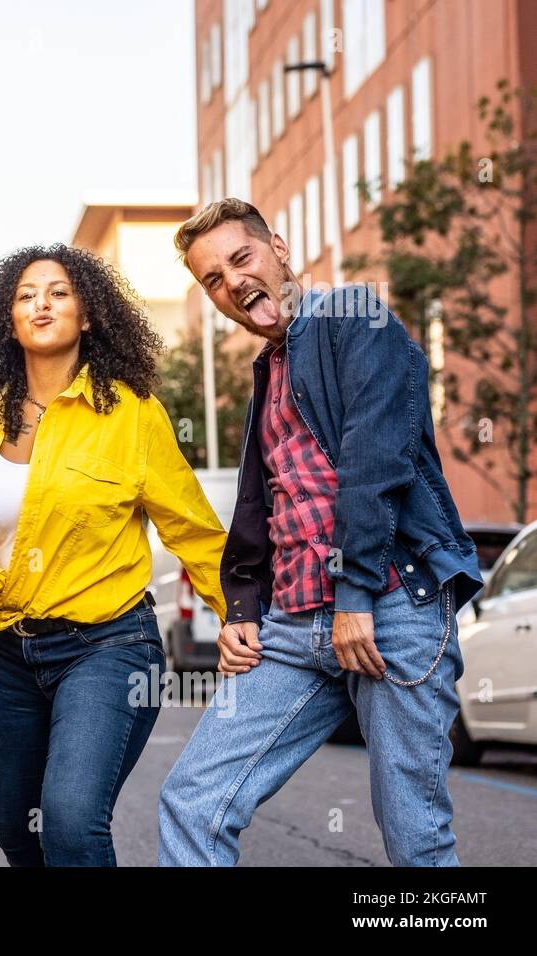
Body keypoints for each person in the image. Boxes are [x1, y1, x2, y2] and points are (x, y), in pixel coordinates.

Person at [159, 197, 485, 866]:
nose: (232, 283)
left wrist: (356, 596)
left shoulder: (352, 320)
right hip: (292, 627)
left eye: (240, 259)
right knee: (193, 799)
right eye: (212, 280)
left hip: (389, 605)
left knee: (414, 835)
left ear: (278, 249)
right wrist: (243, 608)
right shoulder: (267, 371)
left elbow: (373, 465)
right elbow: (262, 504)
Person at [0, 244, 227, 866]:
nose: (41, 304)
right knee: (18, 833)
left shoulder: (130, 414)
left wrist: (243, 615)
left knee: (70, 821)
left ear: (88, 316)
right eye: (26, 295)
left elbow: (193, 529)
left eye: (58, 292)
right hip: (13, 653)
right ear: (8, 321)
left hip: (109, 645)